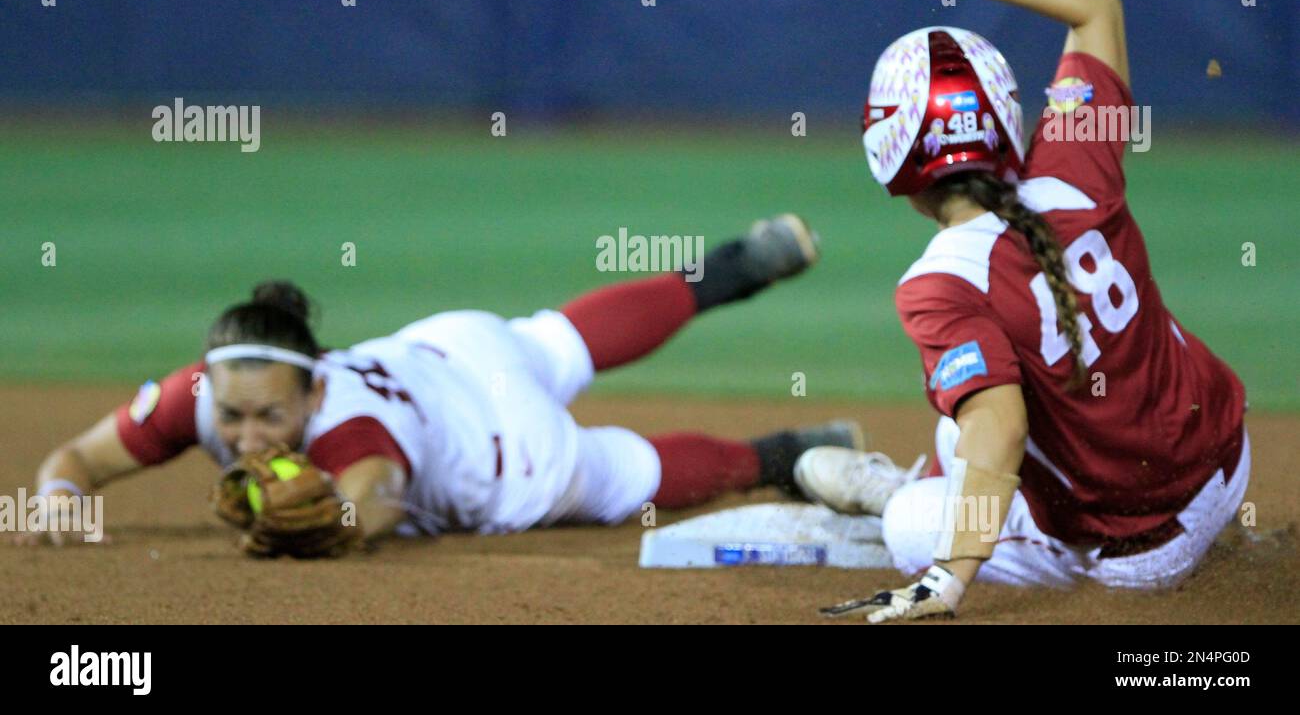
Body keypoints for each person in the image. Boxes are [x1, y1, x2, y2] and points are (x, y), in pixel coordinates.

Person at [797, 0, 1248, 622]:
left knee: (915, 517)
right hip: (1226, 456)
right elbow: (1094, 1)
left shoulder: (940, 285)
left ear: (888, 151)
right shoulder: (1074, 160)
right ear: (1006, 118)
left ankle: (898, 494)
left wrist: (948, 576)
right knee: (965, 421)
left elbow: (1002, 429)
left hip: (1142, 551)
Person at [15, 215, 864, 551]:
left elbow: (374, 495)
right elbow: (76, 460)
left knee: (624, 471)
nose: (246, 435)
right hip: (456, 348)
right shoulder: (196, 397)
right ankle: (737, 264)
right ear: (206, 386)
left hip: (514, 452)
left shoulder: (348, 432)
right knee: (560, 336)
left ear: (314, 393)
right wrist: (58, 496)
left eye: (269, 416)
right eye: (231, 415)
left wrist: (326, 527)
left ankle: (787, 454)